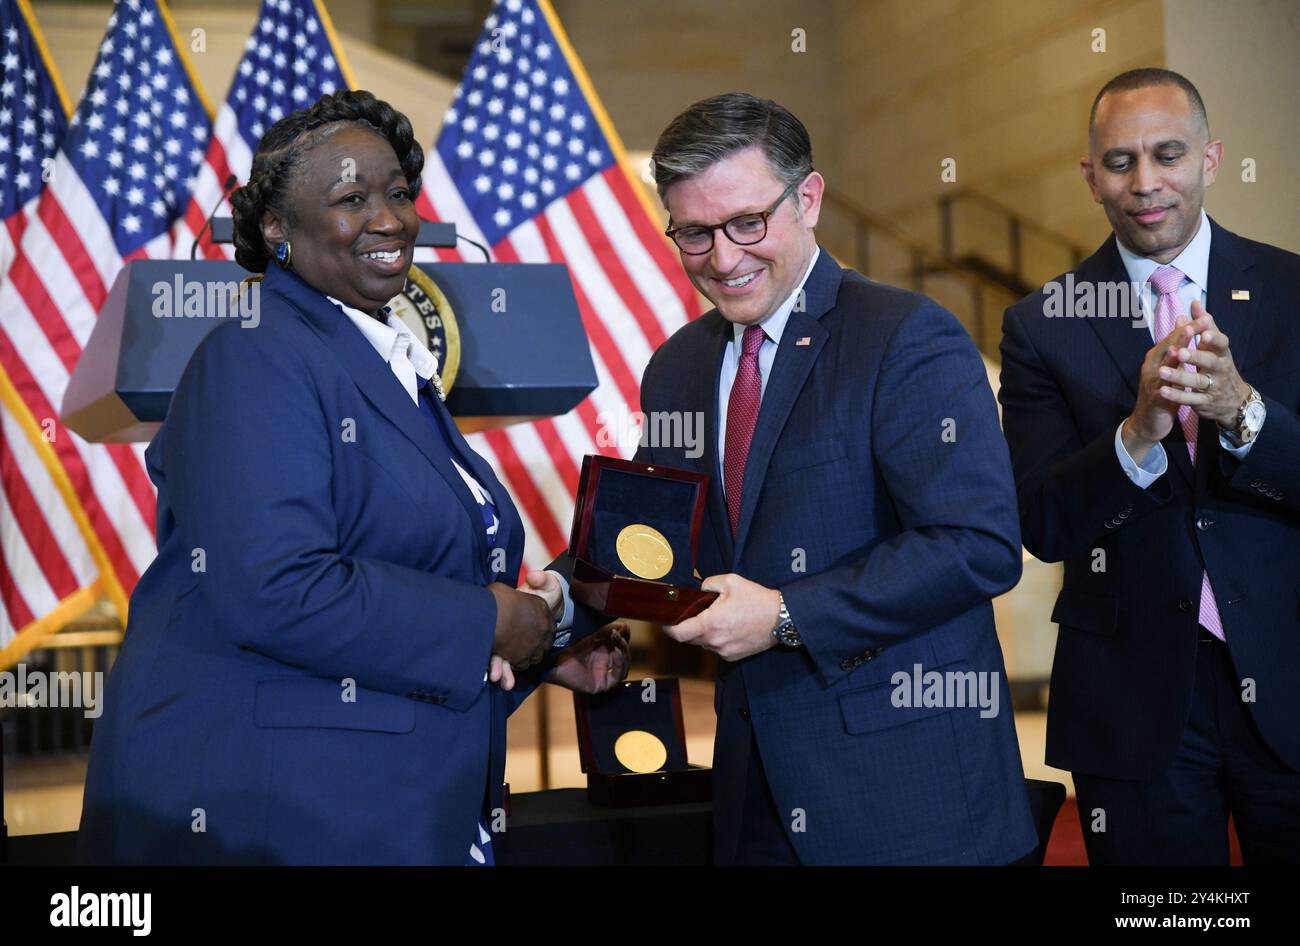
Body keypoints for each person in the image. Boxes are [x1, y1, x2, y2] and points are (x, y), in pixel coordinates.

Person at [76, 90, 625, 865]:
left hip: (384, 796)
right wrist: (487, 624)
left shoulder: (380, 360)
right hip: (280, 814)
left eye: (399, 193)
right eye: (351, 198)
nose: (390, 219)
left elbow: (400, 596)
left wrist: (536, 644)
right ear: (275, 228)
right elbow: (281, 589)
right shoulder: (257, 353)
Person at [631, 92, 1036, 864]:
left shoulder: (906, 336)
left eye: (748, 222)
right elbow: (649, 535)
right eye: (693, 233)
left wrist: (787, 614)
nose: (723, 257)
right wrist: (561, 607)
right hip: (753, 789)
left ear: (807, 199)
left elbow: (978, 544)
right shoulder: (676, 367)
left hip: (908, 799)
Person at [999, 68, 1300, 864]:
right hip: (1131, 699)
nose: (1145, 182)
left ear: (1211, 158)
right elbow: (1044, 523)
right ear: (1090, 176)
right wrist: (1136, 434)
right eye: (1121, 161)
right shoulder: (1040, 325)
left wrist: (1244, 411)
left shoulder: (1295, 290)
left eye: (1167, 154)